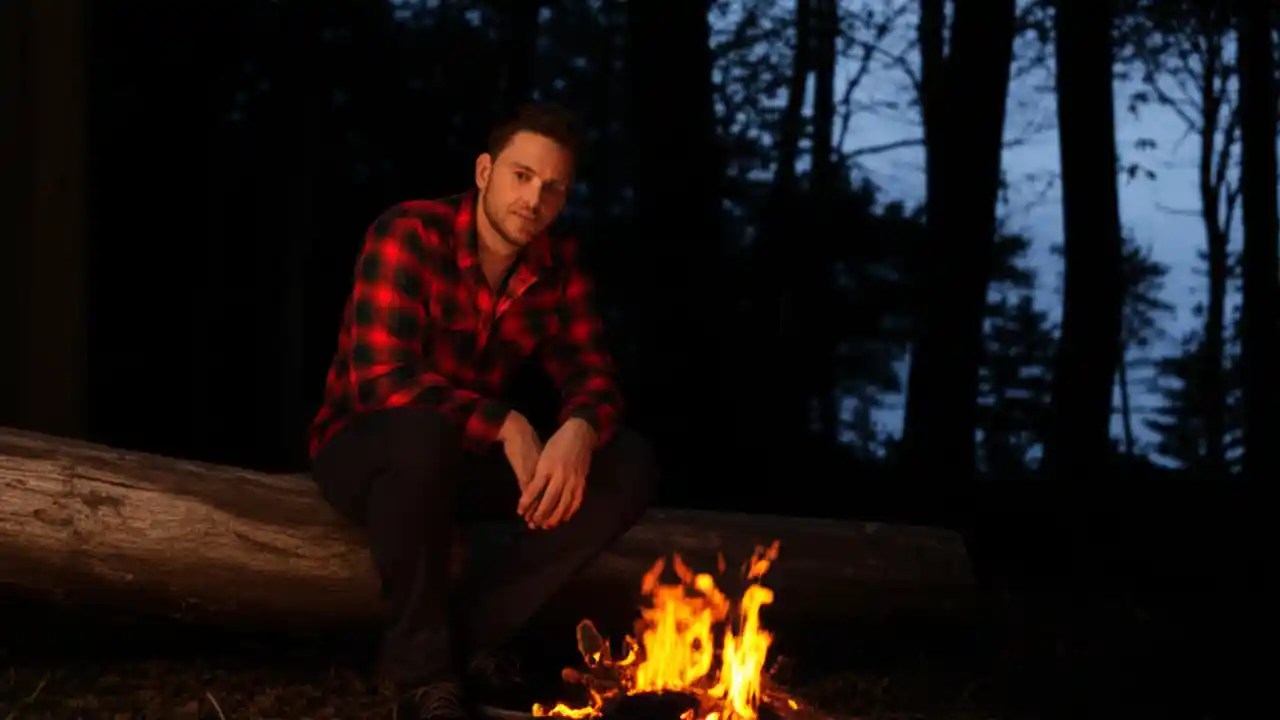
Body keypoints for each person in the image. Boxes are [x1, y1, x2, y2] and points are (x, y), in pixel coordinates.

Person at [307, 102, 657, 720]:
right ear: (484, 171)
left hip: (465, 459)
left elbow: (593, 376)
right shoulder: (409, 232)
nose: (534, 199)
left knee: (626, 460)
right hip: (368, 445)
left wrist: (577, 428)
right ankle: (422, 677)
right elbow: (382, 381)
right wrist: (507, 422)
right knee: (422, 433)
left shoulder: (557, 264)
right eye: (522, 176)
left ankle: (475, 633)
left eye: (553, 188)